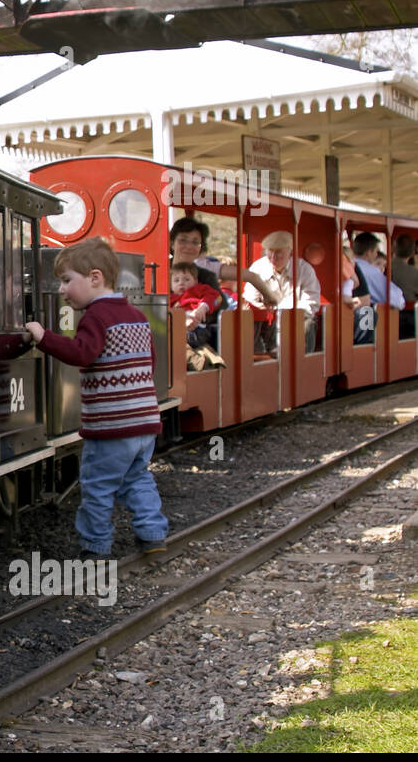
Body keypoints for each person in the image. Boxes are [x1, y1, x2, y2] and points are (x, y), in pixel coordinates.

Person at [23, 237, 168, 559]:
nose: (61, 290)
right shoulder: (136, 315)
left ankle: (96, 545)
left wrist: (44, 337)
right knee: (138, 480)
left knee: (97, 486)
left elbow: (82, 353)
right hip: (144, 422)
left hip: (112, 426)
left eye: (66, 281)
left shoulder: (95, 317)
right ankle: (153, 534)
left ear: (95, 277)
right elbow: (150, 363)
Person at [169, 217, 276, 309]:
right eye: (183, 240)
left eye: (195, 242)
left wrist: (269, 297)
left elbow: (251, 276)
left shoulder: (206, 271)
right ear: (172, 243)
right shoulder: (157, 269)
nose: (189, 246)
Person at [243, 231, 321, 355]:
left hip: (295, 321)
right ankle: (253, 358)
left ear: (290, 251)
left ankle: (301, 365)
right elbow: (250, 298)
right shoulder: (258, 268)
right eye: (270, 251)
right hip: (266, 321)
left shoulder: (304, 270)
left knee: (307, 324)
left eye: (278, 252)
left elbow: (310, 304)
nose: (273, 257)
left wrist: (281, 312)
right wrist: (263, 309)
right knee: (248, 321)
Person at [347, 232, 404, 344]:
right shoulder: (371, 272)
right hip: (363, 319)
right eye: (376, 252)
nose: (376, 255)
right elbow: (396, 299)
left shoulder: (345, 265)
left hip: (343, 315)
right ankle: (364, 349)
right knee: (368, 313)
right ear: (369, 253)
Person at [170, 260, 223, 351]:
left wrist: (203, 307)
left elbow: (217, 298)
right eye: (176, 280)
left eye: (186, 279)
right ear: (171, 285)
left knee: (187, 340)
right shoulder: (170, 299)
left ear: (195, 281)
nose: (181, 283)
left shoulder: (198, 289)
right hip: (178, 328)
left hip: (198, 328)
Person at [391, 235, 418, 339]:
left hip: (387, 314)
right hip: (409, 318)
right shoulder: (414, 273)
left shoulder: (385, 266)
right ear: (412, 253)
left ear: (394, 249)